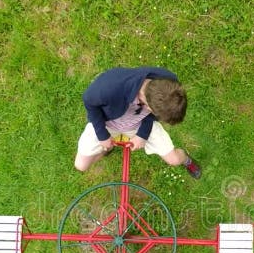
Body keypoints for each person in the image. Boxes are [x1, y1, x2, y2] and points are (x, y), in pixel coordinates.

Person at [74, 66, 202, 179]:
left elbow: (152, 116)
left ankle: (186, 160)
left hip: (140, 123)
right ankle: (107, 147)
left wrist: (142, 134)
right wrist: (102, 135)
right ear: (150, 107)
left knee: (174, 159)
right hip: (108, 123)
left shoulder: (169, 82)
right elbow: (89, 101)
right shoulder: (111, 86)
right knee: (81, 165)